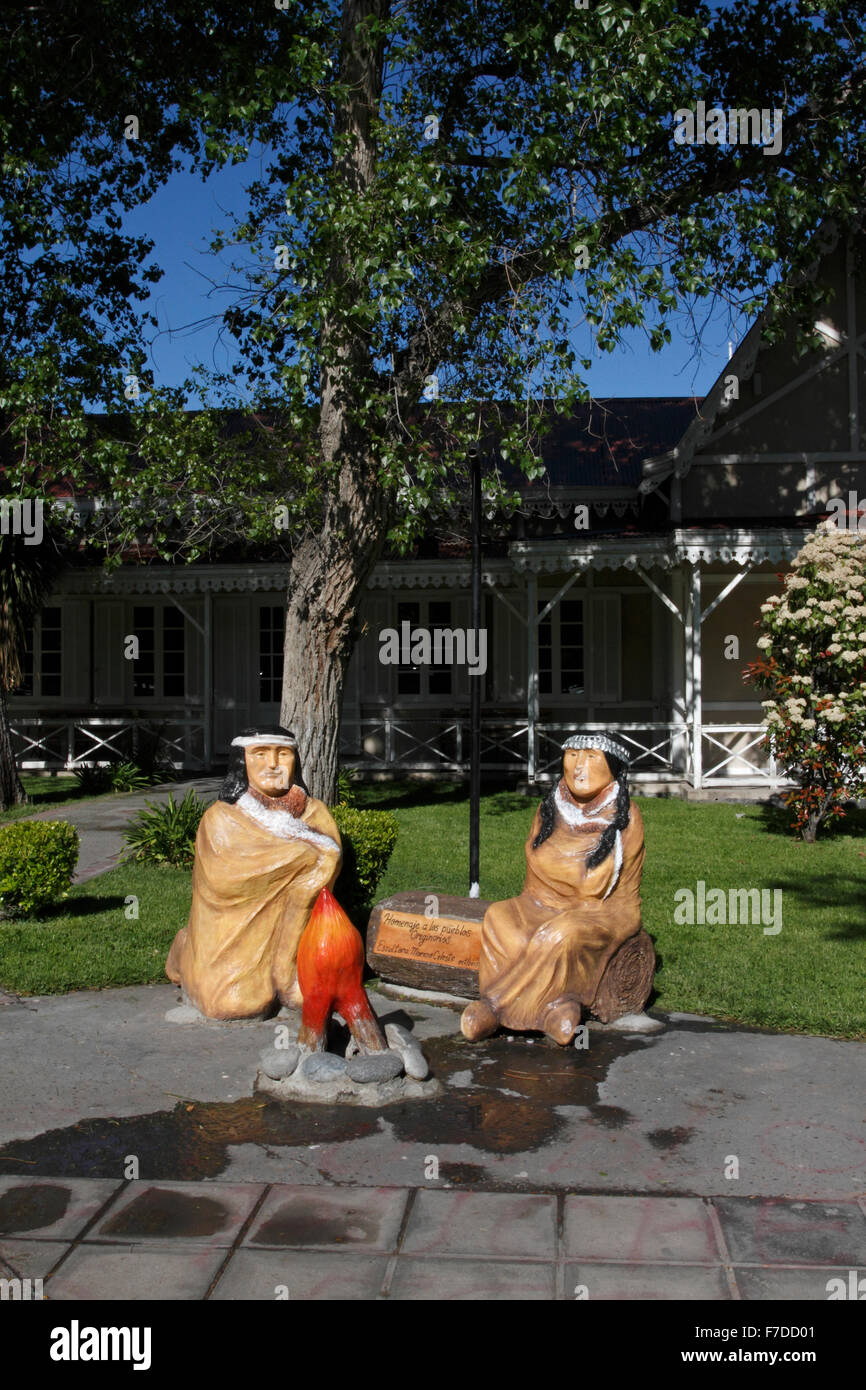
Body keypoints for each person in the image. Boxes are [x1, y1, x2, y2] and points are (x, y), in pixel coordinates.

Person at [461, 733, 645, 1046]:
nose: (579, 766)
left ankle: (497, 1008)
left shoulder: (626, 817)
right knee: (498, 916)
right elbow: (535, 871)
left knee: (561, 932)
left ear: (613, 767)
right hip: (539, 901)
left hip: (600, 910)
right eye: (572, 756)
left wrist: (565, 879)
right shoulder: (549, 808)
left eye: (590, 757)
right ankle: (555, 1010)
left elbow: (604, 891)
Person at [165, 726, 342, 1020]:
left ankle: (290, 972)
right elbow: (224, 882)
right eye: (260, 754)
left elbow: (331, 856)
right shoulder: (221, 818)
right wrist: (304, 856)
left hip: (302, 931)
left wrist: (311, 863)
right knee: (235, 1005)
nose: (273, 764)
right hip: (235, 933)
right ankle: (186, 953)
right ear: (241, 762)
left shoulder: (315, 813)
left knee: (319, 988)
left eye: (283, 754)